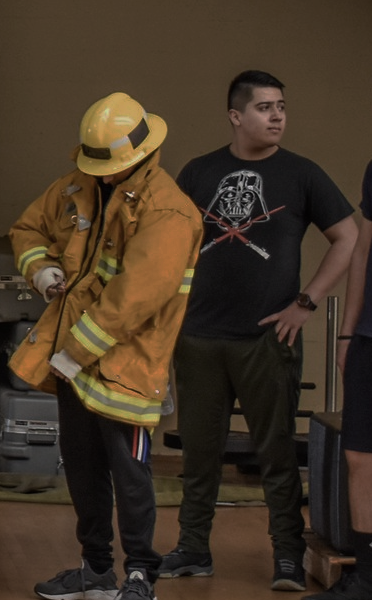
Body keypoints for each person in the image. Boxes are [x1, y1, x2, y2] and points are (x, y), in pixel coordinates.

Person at [160, 70, 357, 592]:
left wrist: (306, 302)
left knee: (275, 454)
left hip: (269, 339)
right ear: (236, 116)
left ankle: (288, 556)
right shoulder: (199, 172)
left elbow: (348, 237)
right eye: (265, 108)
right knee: (200, 452)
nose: (277, 117)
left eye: (282, 108)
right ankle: (192, 548)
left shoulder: (302, 175)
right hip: (199, 336)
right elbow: (169, 245)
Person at [10, 92, 199, 600]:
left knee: (131, 475)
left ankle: (140, 574)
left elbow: (134, 296)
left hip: (127, 368)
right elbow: (28, 227)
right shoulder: (79, 185)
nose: (105, 174)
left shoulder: (168, 211)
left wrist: (74, 352)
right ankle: (95, 569)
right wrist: (43, 271)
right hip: (75, 362)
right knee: (82, 467)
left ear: (141, 154)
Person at [303, 162, 372, 600]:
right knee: (360, 458)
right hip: (368, 336)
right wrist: (348, 332)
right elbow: (364, 246)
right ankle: (365, 576)